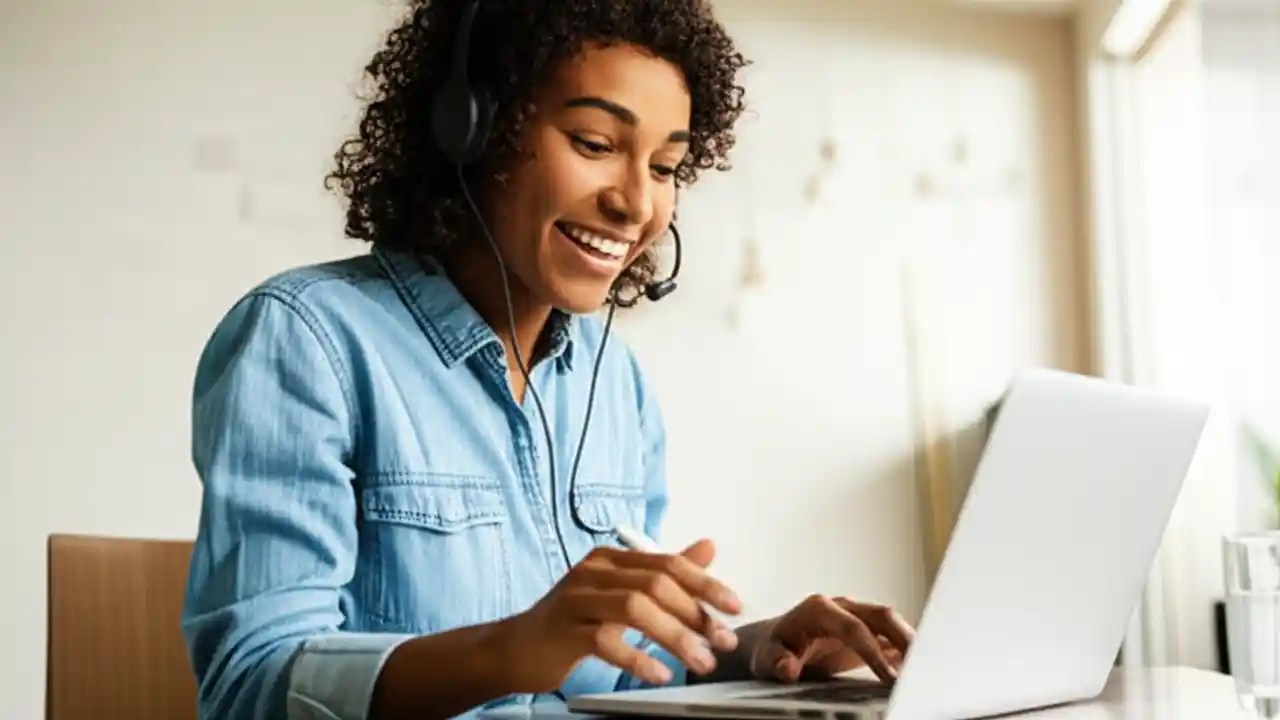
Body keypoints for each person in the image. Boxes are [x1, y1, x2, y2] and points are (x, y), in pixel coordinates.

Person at [181, 1, 915, 718]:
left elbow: (620, 672)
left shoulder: (613, 380)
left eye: (665, 167)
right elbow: (248, 687)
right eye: (596, 144)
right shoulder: (309, 339)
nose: (636, 204)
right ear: (473, 130)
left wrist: (758, 649)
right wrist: (511, 650)